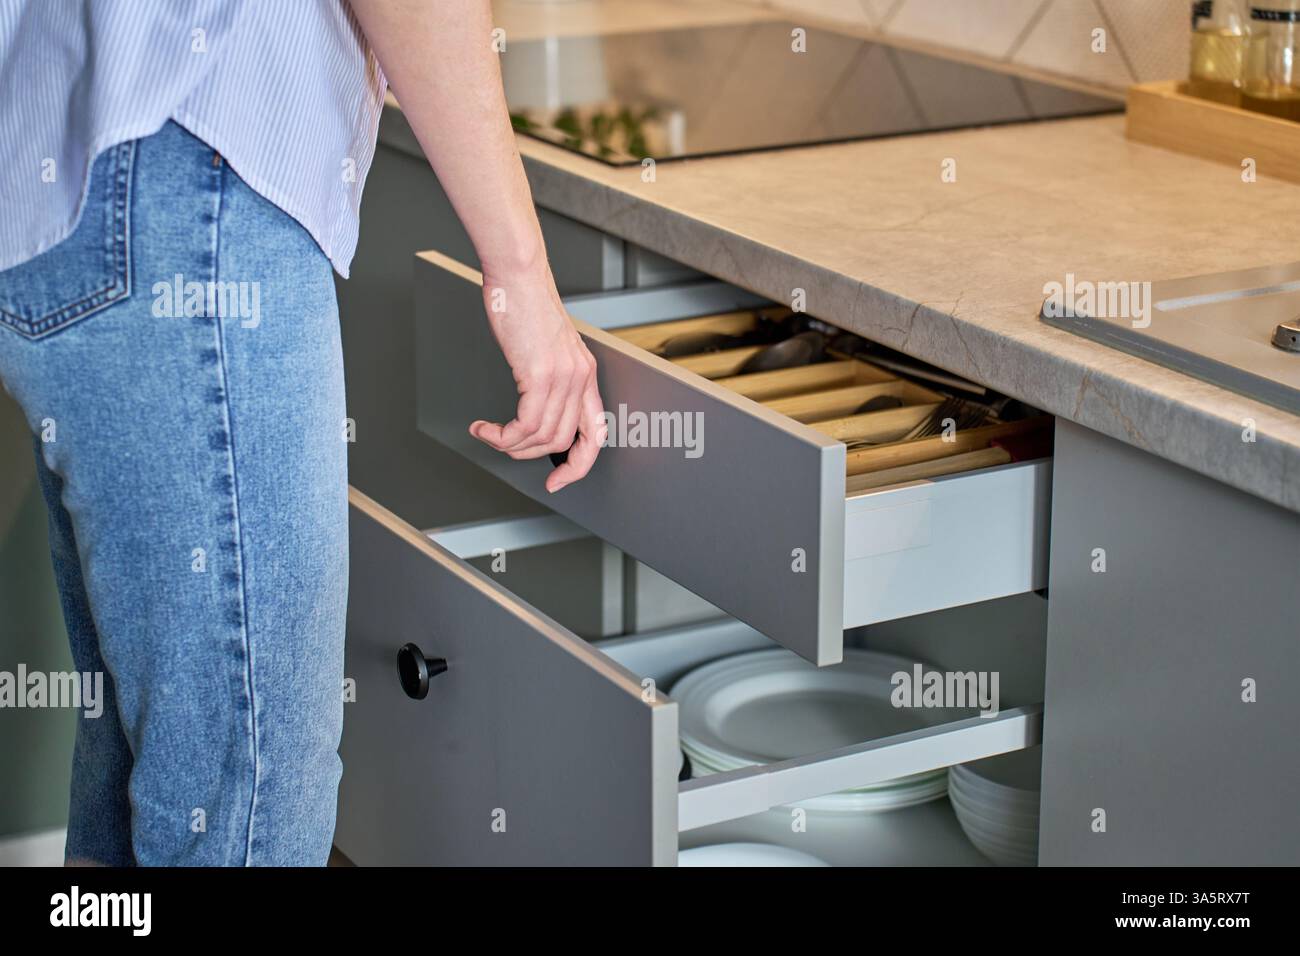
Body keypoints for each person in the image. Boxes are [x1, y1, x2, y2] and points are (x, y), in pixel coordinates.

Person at [0, 0, 606, 865]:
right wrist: (521, 274)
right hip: (190, 184)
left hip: (65, 183)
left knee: (144, 770)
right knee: (248, 799)